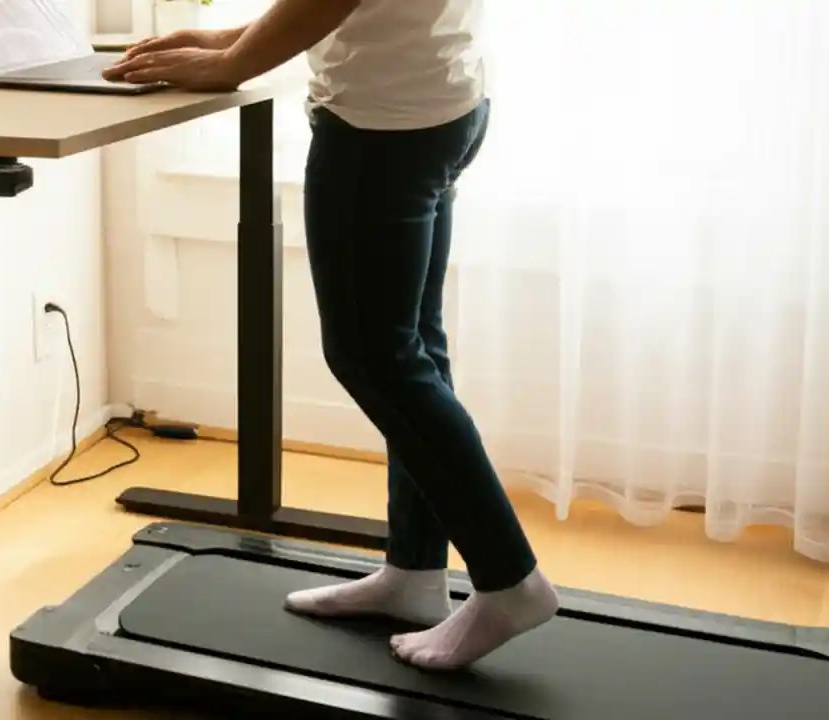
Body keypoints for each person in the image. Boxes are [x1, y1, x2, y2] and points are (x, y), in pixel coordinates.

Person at [104, 0, 559, 672]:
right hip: (438, 101)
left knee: (376, 356)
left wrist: (232, 61)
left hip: (381, 128)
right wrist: (231, 38)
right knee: (412, 352)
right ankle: (414, 572)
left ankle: (509, 578)